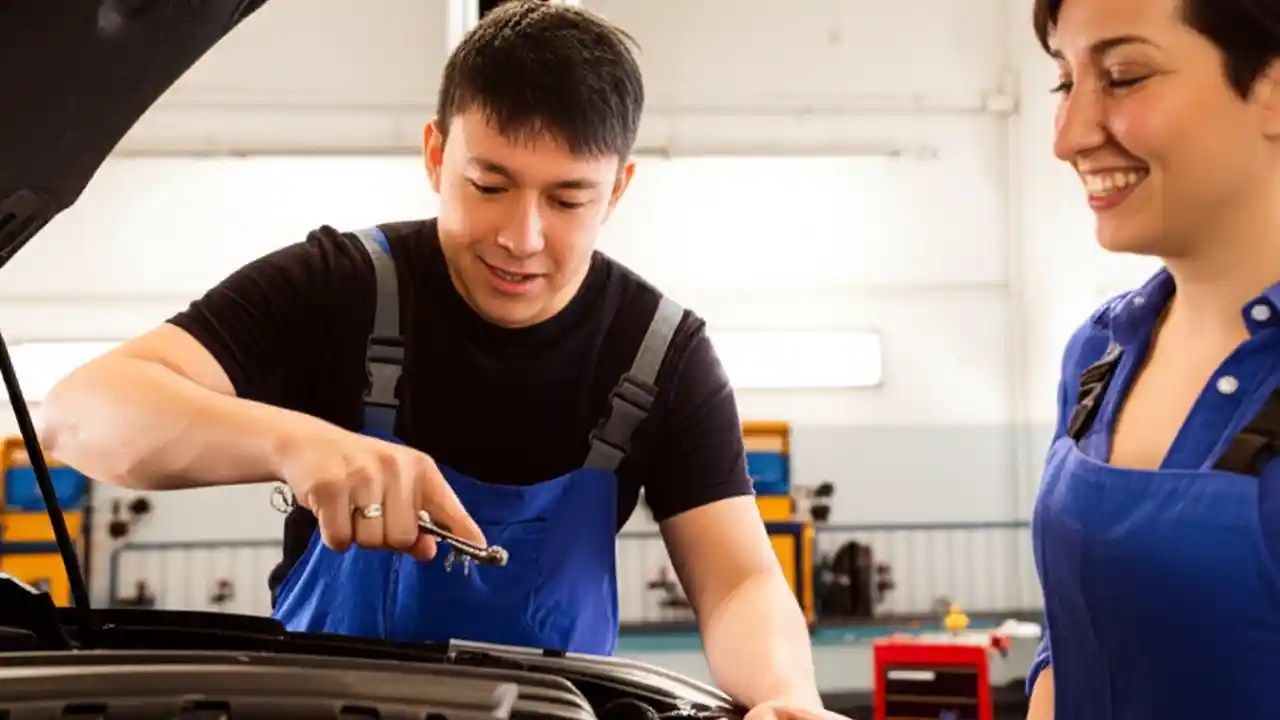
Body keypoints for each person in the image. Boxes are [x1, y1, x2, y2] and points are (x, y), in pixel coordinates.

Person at [39, 3, 843, 717]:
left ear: (618, 189)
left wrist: (785, 694)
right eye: (489, 185)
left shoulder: (663, 354)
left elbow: (737, 579)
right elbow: (78, 416)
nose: (522, 238)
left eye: (568, 199)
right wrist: (294, 443)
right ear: (435, 154)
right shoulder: (337, 288)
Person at [1025, 0, 1280, 717]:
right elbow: (1067, 648)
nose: (1069, 136)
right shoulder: (1100, 354)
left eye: (1124, 77)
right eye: (1064, 83)